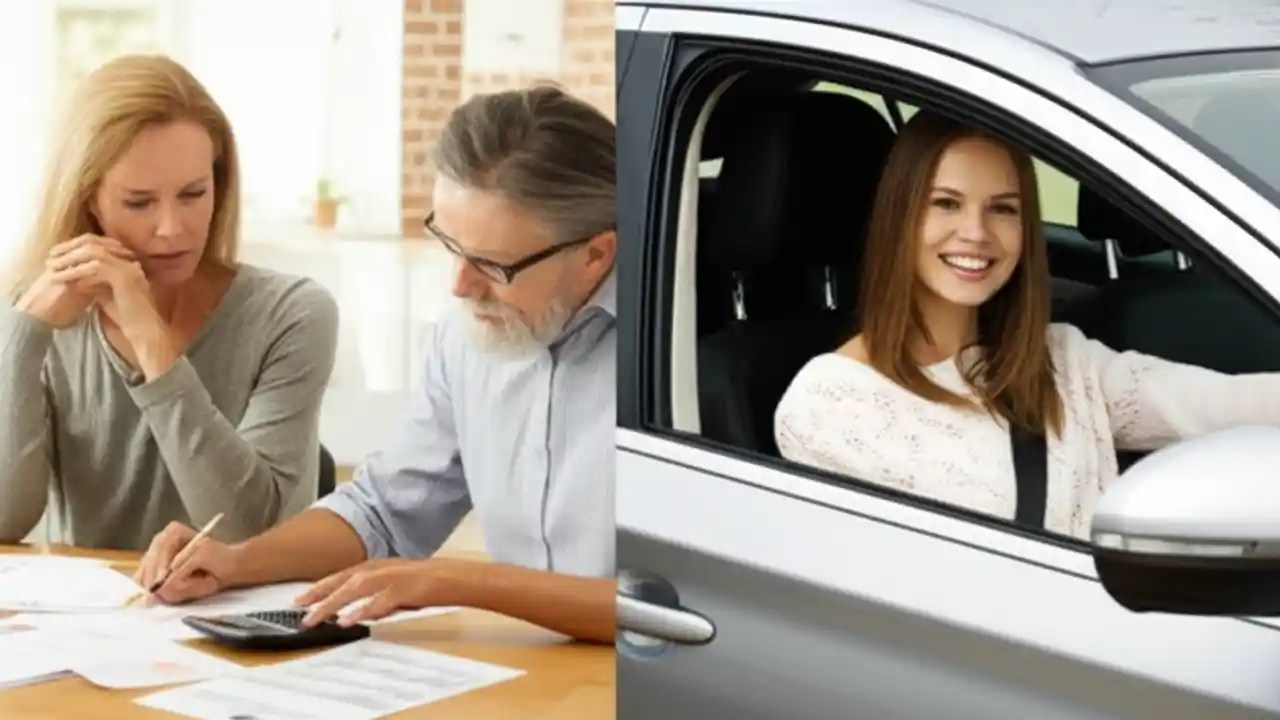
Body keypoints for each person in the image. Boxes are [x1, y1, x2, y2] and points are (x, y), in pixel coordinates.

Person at [134, 84, 617, 643]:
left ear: (595, 255)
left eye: (490, 264)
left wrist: (465, 582)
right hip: (539, 675)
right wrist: (236, 563)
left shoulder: (675, 362)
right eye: (451, 246)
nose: (460, 286)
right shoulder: (470, 339)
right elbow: (385, 510)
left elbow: (678, 611)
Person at [773, 110, 1280, 540]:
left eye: (1003, 209)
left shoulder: (1062, 360)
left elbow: (1222, 404)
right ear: (899, 216)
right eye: (946, 203)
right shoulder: (829, 404)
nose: (976, 233)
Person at [0, 54, 339, 551]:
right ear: (88, 199)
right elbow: (6, 521)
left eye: (193, 193)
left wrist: (150, 342)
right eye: (139, 202)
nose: (171, 228)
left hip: (241, 619)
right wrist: (23, 337)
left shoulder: (294, 313)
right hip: (95, 617)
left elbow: (246, 531)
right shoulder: (35, 314)